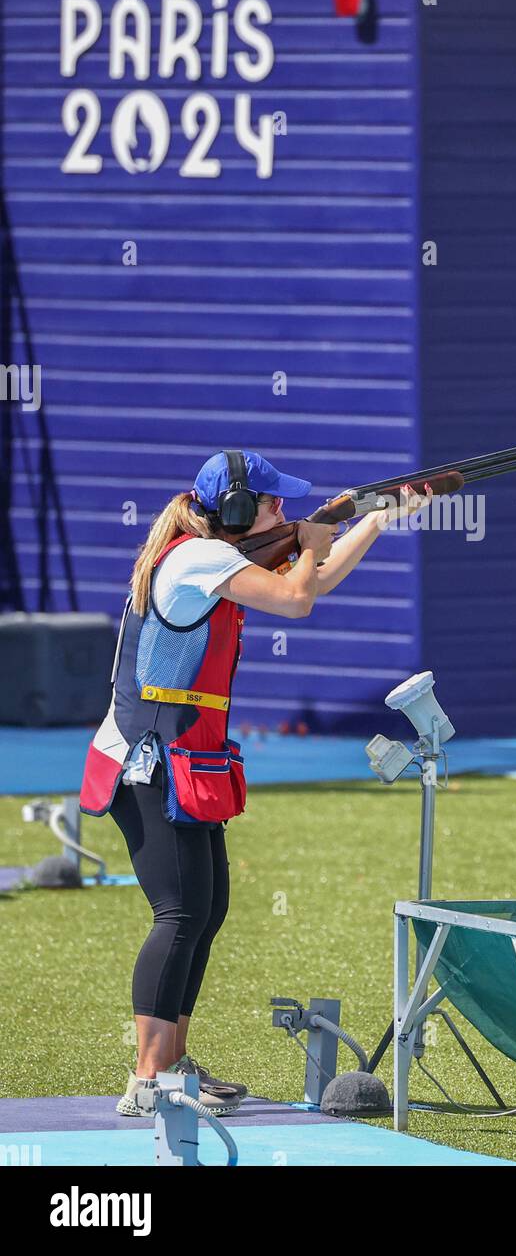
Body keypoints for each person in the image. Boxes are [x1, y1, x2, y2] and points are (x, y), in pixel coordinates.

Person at [79, 449, 427, 1115]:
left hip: (182, 754)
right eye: (273, 505)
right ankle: (148, 1078)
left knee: (203, 913)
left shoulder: (216, 554)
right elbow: (299, 598)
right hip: (150, 759)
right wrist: (314, 539)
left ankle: (173, 1061)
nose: (285, 513)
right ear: (240, 511)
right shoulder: (200, 558)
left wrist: (376, 520)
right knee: (178, 913)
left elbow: (311, 582)